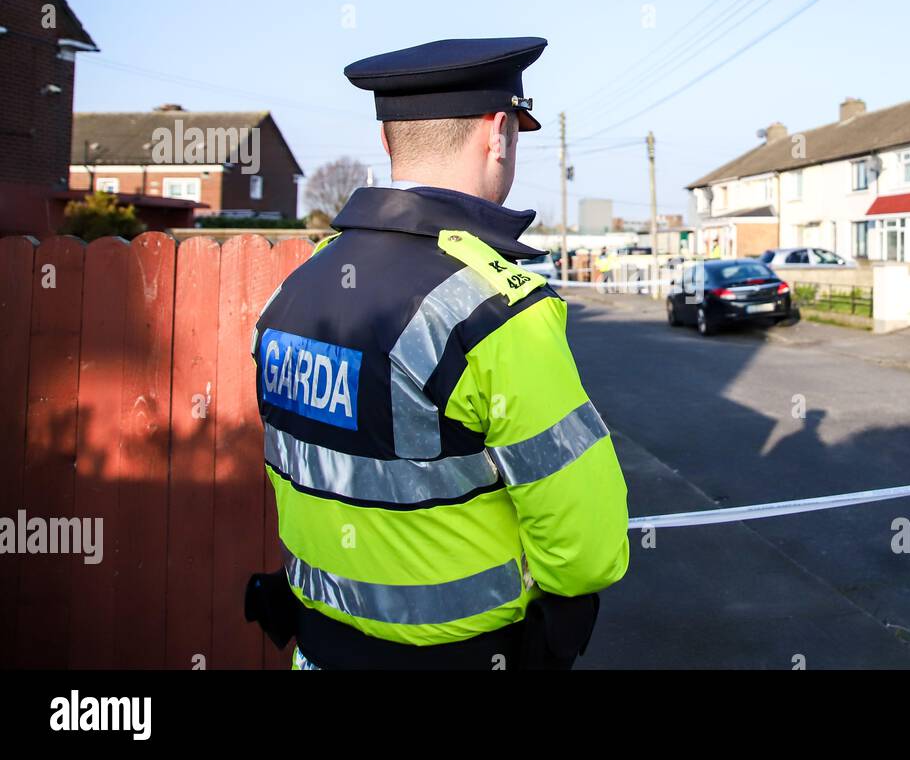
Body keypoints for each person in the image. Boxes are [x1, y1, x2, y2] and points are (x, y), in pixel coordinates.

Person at [245, 37, 630, 670]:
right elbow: (585, 547)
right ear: (498, 133)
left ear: (388, 143)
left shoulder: (298, 287)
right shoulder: (497, 310)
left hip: (316, 651)